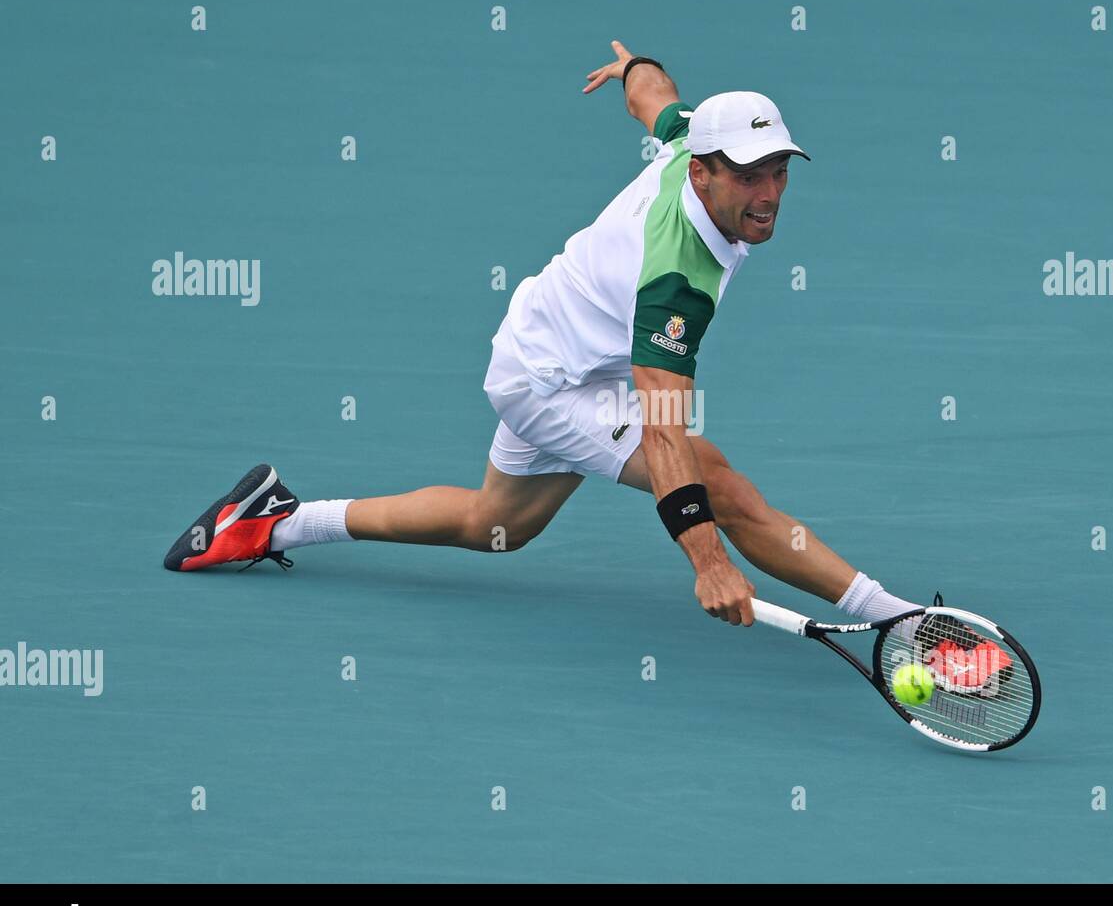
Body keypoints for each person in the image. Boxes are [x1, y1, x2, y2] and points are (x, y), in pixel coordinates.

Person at [163, 40, 1007, 691]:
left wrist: (630, 65)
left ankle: (275, 517)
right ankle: (907, 626)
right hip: (551, 380)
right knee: (724, 488)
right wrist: (708, 559)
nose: (769, 194)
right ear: (706, 172)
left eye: (780, 171)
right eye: (749, 176)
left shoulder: (689, 147)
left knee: (496, 525)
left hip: (548, 339)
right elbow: (671, 437)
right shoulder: (678, 280)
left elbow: (659, 99)